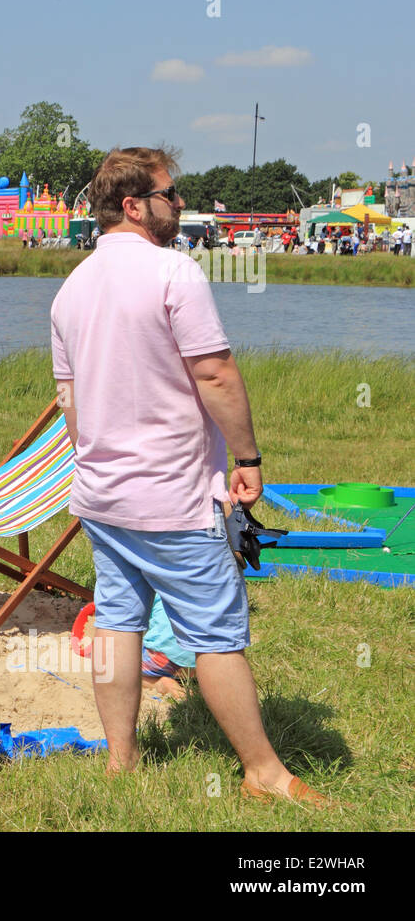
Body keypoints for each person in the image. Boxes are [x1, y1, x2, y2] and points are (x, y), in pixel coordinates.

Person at [50, 146, 328, 807]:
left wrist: (96, 464)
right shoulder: (175, 272)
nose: (180, 205)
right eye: (171, 194)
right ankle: (262, 771)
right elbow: (215, 374)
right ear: (133, 203)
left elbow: (71, 405)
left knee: (118, 623)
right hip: (173, 498)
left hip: (103, 495)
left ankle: (122, 763)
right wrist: (249, 459)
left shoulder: (71, 288)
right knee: (216, 635)